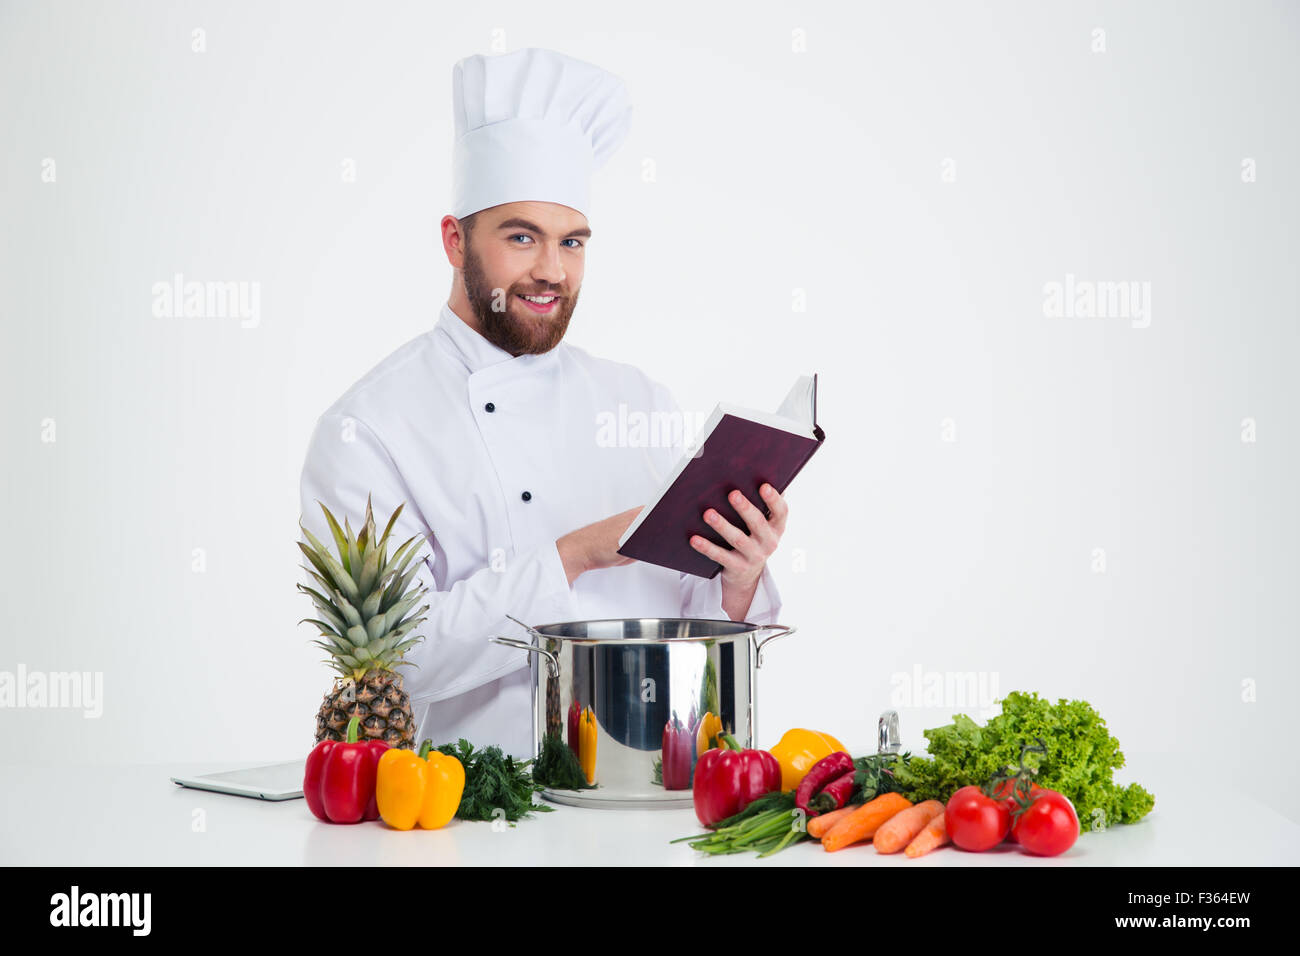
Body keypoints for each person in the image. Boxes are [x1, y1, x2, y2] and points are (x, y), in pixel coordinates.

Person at [299, 47, 789, 758]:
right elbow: (397, 663)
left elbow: (693, 621)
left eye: (572, 242)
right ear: (454, 240)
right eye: (521, 237)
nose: (551, 271)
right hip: (473, 800)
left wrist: (740, 575)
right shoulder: (368, 428)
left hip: (653, 784)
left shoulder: (638, 400)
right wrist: (573, 555)